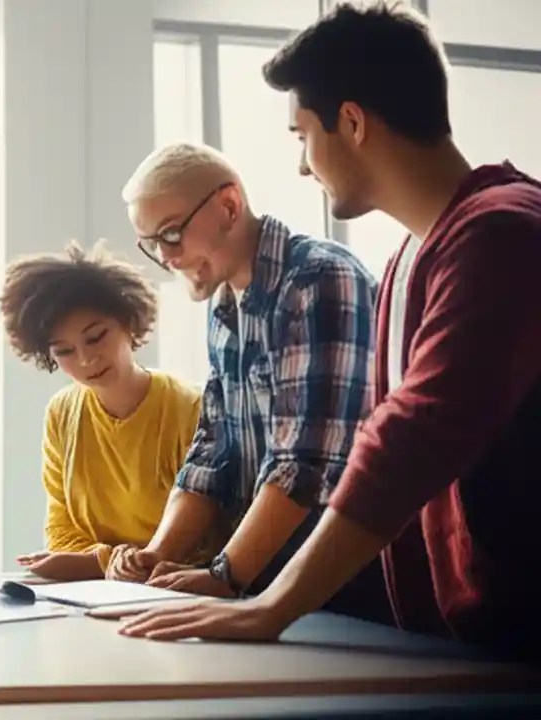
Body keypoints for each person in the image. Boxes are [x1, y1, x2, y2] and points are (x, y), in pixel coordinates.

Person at [118, 3, 541, 665]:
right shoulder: (413, 257)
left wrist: (268, 603)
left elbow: (412, 433)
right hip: (452, 643)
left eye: (301, 135)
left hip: (514, 642)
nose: (302, 166)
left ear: (351, 122)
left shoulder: (503, 231)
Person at [108, 140, 389, 624]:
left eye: (172, 233)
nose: (167, 258)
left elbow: (305, 464)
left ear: (229, 206)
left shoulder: (319, 280)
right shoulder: (223, 307)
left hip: (342, 591)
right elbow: (212, 452)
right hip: (261, 585)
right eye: (153, 244)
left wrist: (225, 575)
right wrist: (155, 555)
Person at [0, 241, 205, 581]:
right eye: (64, 351)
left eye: (96, 337)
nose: (86, 359)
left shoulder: (190, 408)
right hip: (94, 596)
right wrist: (113, 561)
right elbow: (61, 531)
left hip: (176, 592)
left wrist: (107, 561)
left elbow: (209, 539)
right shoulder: (62, 413)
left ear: (128, 322)